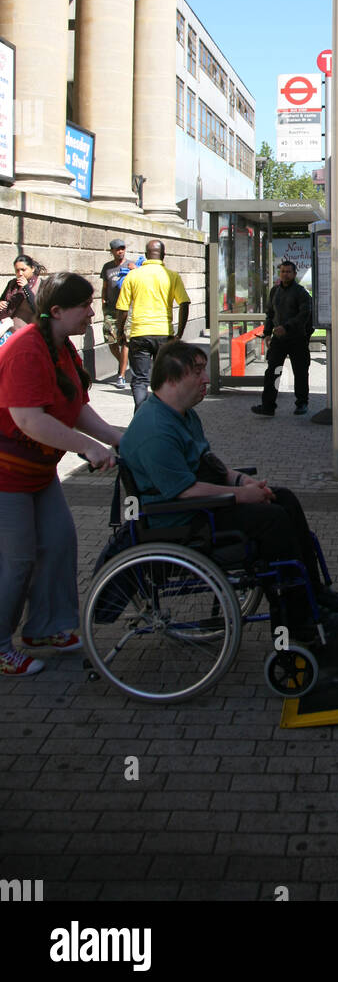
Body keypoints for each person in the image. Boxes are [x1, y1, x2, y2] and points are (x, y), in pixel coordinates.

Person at [119, 341, 338, 639]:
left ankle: (314, 593)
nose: (206, 379)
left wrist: (243, 483)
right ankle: (299, 620)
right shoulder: (154, 430)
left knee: (286, 500)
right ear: (172, 378)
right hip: (182, 521)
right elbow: (184, 491)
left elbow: (209, 464)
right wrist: (242, 496)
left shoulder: (184, 414)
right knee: (273, 521)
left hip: (200, 508)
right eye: (198, 372)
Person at [0, 273, 122, 676]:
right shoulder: (26, 349)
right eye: (84, 305)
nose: (92, 311)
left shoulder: (62, 347)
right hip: (6, 476)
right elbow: (28, 419)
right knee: (15, 561)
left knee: (58, 543)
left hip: (37, 472)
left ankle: (46, 629)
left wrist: (114, 437)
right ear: (56, 311)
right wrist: (86, 446)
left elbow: (77, 407)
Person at [115, 239, 190, 409]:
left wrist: (120, 331)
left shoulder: (133, 276)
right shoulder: (172, 276)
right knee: (163, 378)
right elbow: (184, 303)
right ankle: (160, 414)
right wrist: (180, 333)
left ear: (145, 255)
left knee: (140, 379)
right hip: (164, 333)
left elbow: (122, 309)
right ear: (163, 255)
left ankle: (141, 413)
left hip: (139, 334)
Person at [251, 261, 312, 417]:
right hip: (279, 340)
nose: (285, 274)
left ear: (294, 274)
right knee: (272, 372)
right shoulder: (274, 291)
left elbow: (304, 315)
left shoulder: (301, 293)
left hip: (297, 339)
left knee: (300, 372)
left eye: (288, 272)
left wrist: (287, 327)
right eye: (283, 271)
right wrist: (267, 333)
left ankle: (302, 403)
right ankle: (268, 406)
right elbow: (270, 314)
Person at [100, 239, 133, 389]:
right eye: (117, 249)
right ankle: (123, 363)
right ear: (112, 251)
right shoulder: (107, 267)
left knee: (125, 340)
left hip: (126, 309)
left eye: (122, 248)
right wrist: (103, 299)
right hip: (111, 309)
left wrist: (136, 270)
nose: (120, 251)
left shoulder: (131, 266)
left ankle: (121, 375)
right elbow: (105, 285)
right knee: (111, 340)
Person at [0, 254, 48, 345]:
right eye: (17, 270)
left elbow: (39, 310)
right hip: (8, 333)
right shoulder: (12, 284)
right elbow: (3, 299)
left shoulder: (42, 285)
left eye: (23, 270)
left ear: (32, 269)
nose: (20, 273)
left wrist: (26, 288)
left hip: (27, 336)